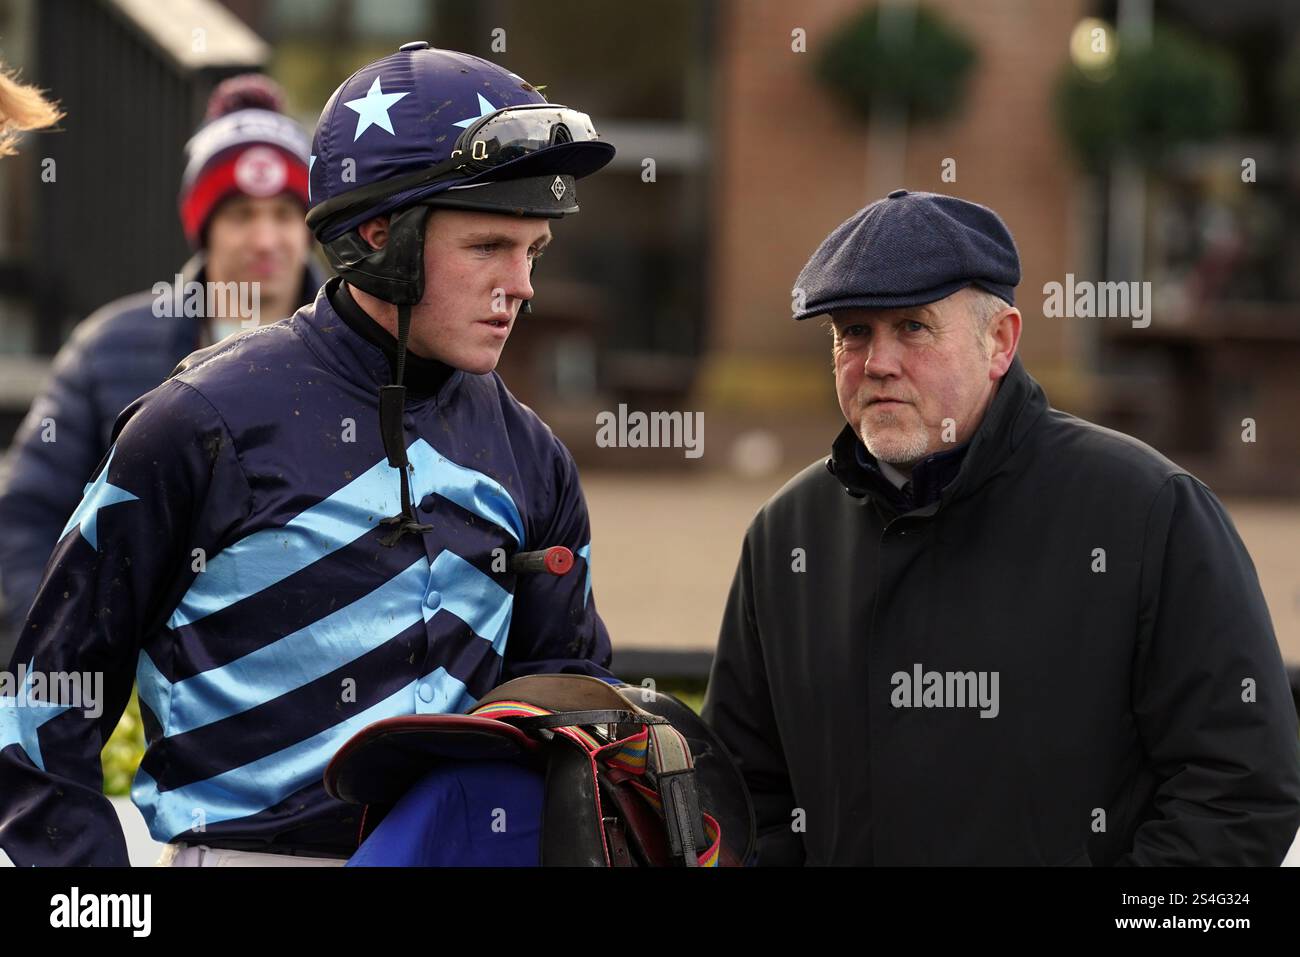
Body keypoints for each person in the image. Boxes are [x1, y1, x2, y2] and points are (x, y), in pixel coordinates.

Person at [0, 43, 615, 866]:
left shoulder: (535, 456)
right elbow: (43, 709)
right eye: (488, 247)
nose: (522, 284)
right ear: (375, 236)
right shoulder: (197, 421)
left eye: (533, 250)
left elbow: (566, 729)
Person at [702, 189, 1300, 866]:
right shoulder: (787, 536)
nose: (878, 362)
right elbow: (743, 798)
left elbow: (1241, 790)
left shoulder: (1151, 511)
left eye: (913, 327)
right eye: (853, 332)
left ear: (1001, 341)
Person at [0, 74, 323, 662]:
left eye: (284, 212)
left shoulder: (360, 354)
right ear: (203, 226)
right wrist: (61, 653)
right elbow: (25, 515)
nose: (266, 238)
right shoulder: (108, 348)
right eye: (241, 214)